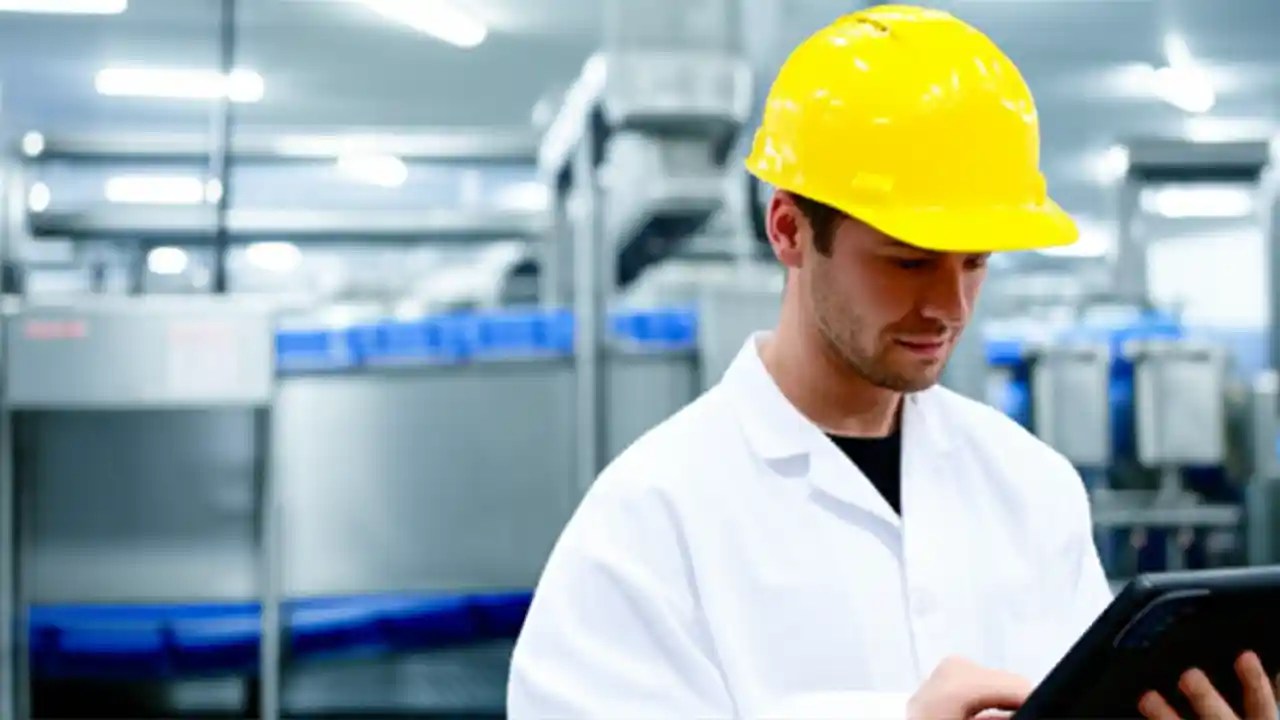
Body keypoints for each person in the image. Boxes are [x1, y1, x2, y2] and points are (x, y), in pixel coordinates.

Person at [507, 5, 1276, 719]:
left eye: (975, 262)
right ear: (789, 230)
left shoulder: (1032, 488)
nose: (951, 306)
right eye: (909, 263)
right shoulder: (650, 520)